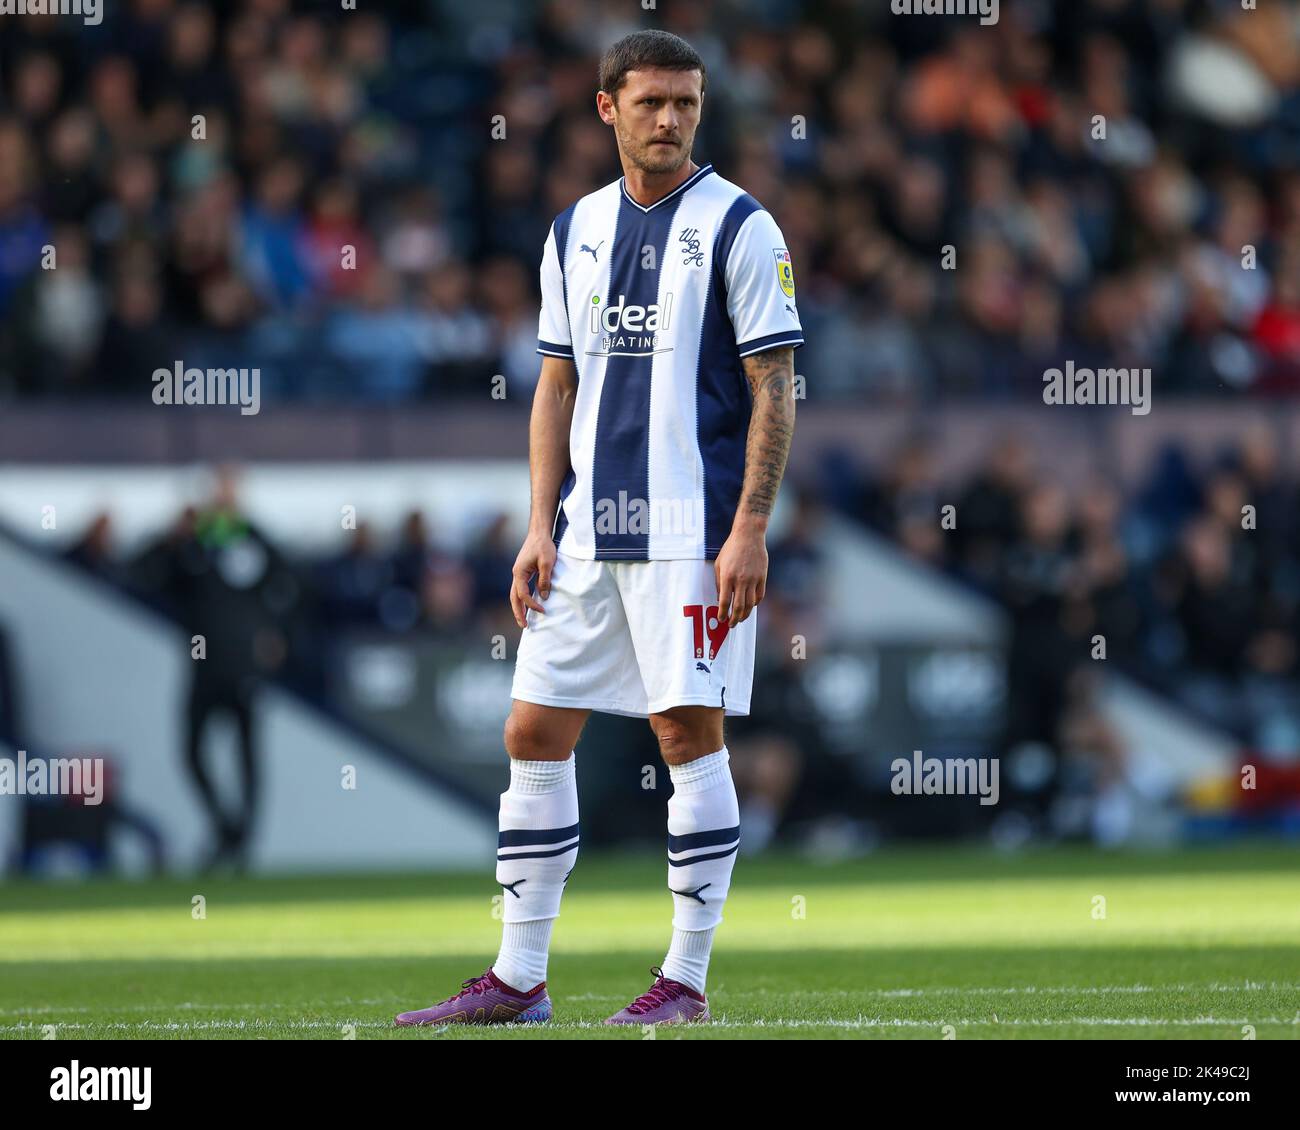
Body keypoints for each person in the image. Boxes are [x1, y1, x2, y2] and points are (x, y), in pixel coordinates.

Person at [395, 30, 802, 1028]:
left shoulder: (742, 227)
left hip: (690, 530)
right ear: (605, 107)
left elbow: (774, 388)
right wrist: (540, 522)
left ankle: (685, 981)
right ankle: (518, 976)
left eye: (686, 104)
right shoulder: (571, 229)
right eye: (651, 101)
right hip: (586, 532)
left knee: (683, 736)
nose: (669, 120)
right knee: (531, 728)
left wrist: (750, 526)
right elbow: (556, 383)